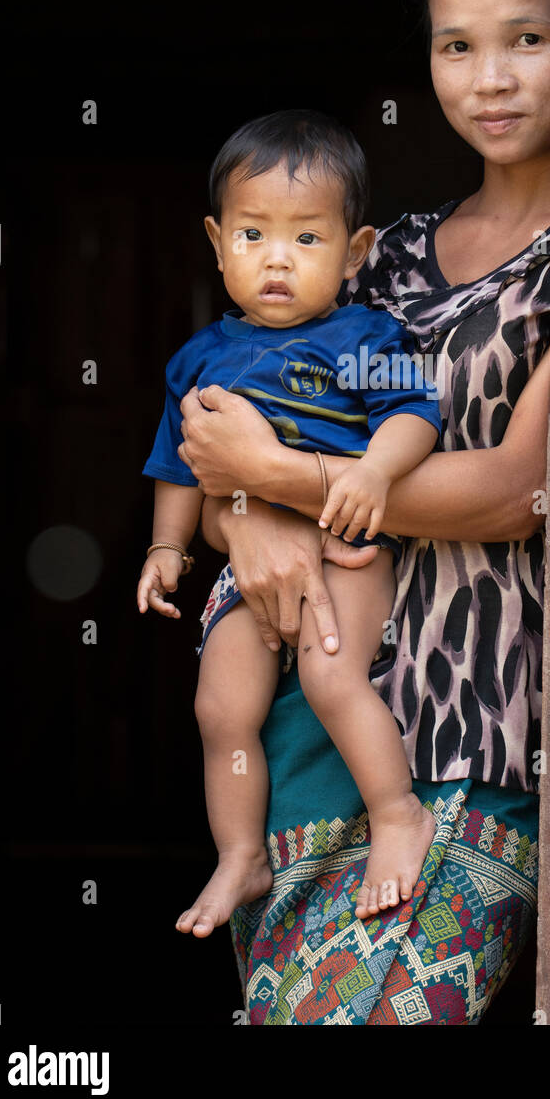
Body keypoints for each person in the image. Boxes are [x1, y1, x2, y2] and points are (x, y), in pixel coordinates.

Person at [178, 0, 550, 1024]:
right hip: (313, 722)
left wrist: (268, 480)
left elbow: (511, 489)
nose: (488, 79)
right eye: (457, 46)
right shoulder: (376, 256)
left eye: (527, 40)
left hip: (470, 728)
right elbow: (219, 416)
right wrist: (240, 518)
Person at [137, 110, 442, 935]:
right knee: (220, 708)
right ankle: (241, 854)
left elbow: (418, 413)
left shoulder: (362, 333)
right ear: (217, 240)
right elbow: (178, 458)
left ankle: (395, 813)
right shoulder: (198, 356)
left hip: (350, 552)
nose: (277, 258)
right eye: (253, 235)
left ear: (353, 252)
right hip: (244, 566)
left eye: (307, 240)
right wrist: (168, 546)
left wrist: (375, 469)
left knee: (330, 680)